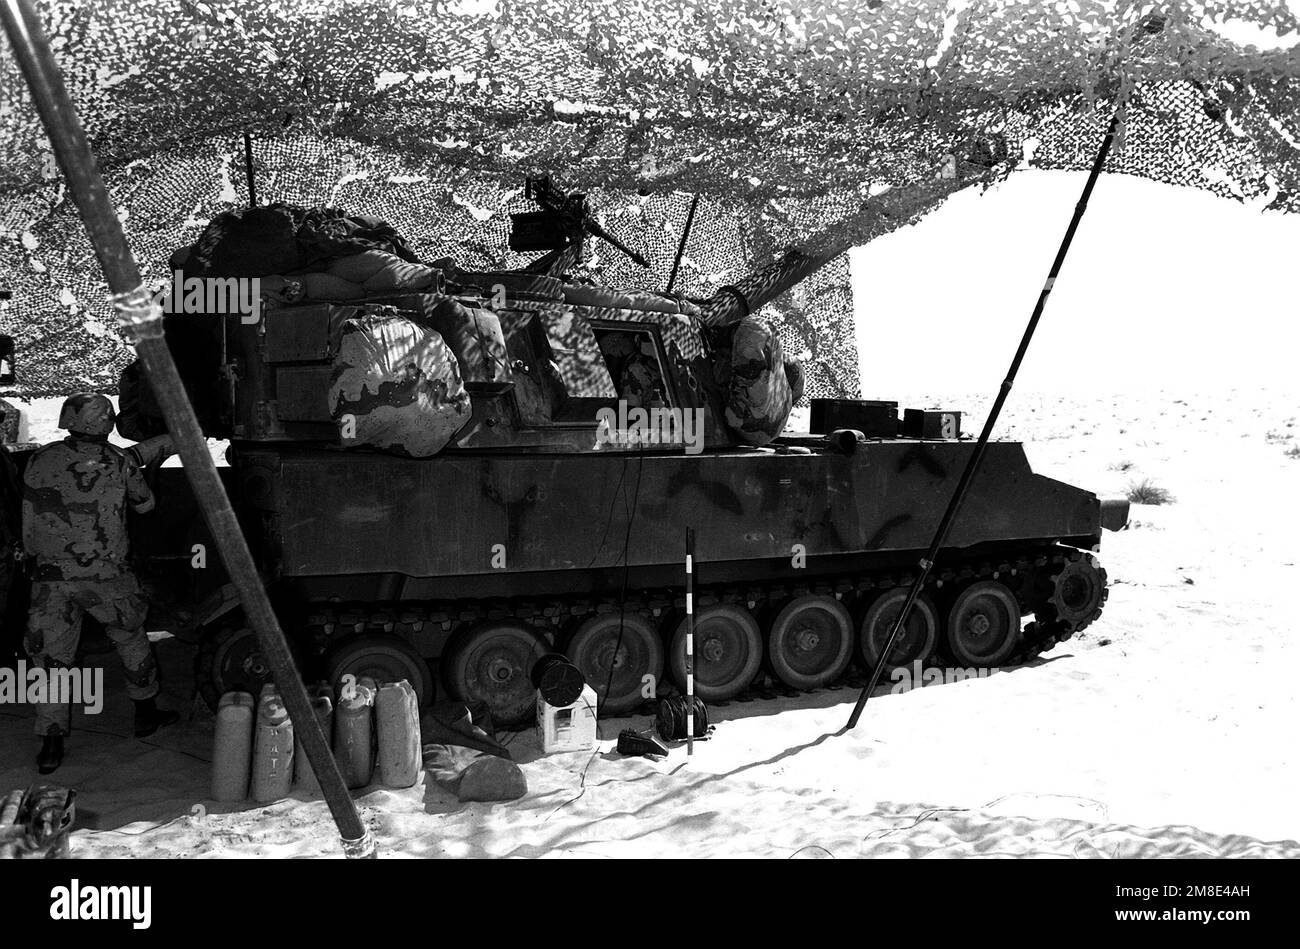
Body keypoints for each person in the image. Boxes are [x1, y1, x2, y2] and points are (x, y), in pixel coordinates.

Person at [21, 393, 177, 774]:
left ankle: (51, 744)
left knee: (51, 661)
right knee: (130, 638)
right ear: (105, 421)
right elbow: (145, 505)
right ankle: (145, 713)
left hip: (50, 578)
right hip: (106, 577)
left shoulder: (39, 459)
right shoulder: (119, 463)